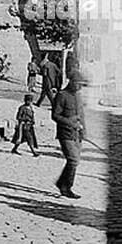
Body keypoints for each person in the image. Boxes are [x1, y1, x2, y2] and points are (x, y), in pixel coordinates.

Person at [51, 70, 85, 199]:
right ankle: (66, 187)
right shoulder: (62, 95)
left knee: (75, 161)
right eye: (77, 83)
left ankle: (61, 183)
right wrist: (72, 124)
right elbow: (55, 115)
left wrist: (84, 130)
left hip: (77, 133)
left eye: (81, 84)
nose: (79, 86)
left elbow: (82, 114)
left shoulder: (78, 96)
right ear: (71, 81)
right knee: (73, 159)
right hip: (65, 133)